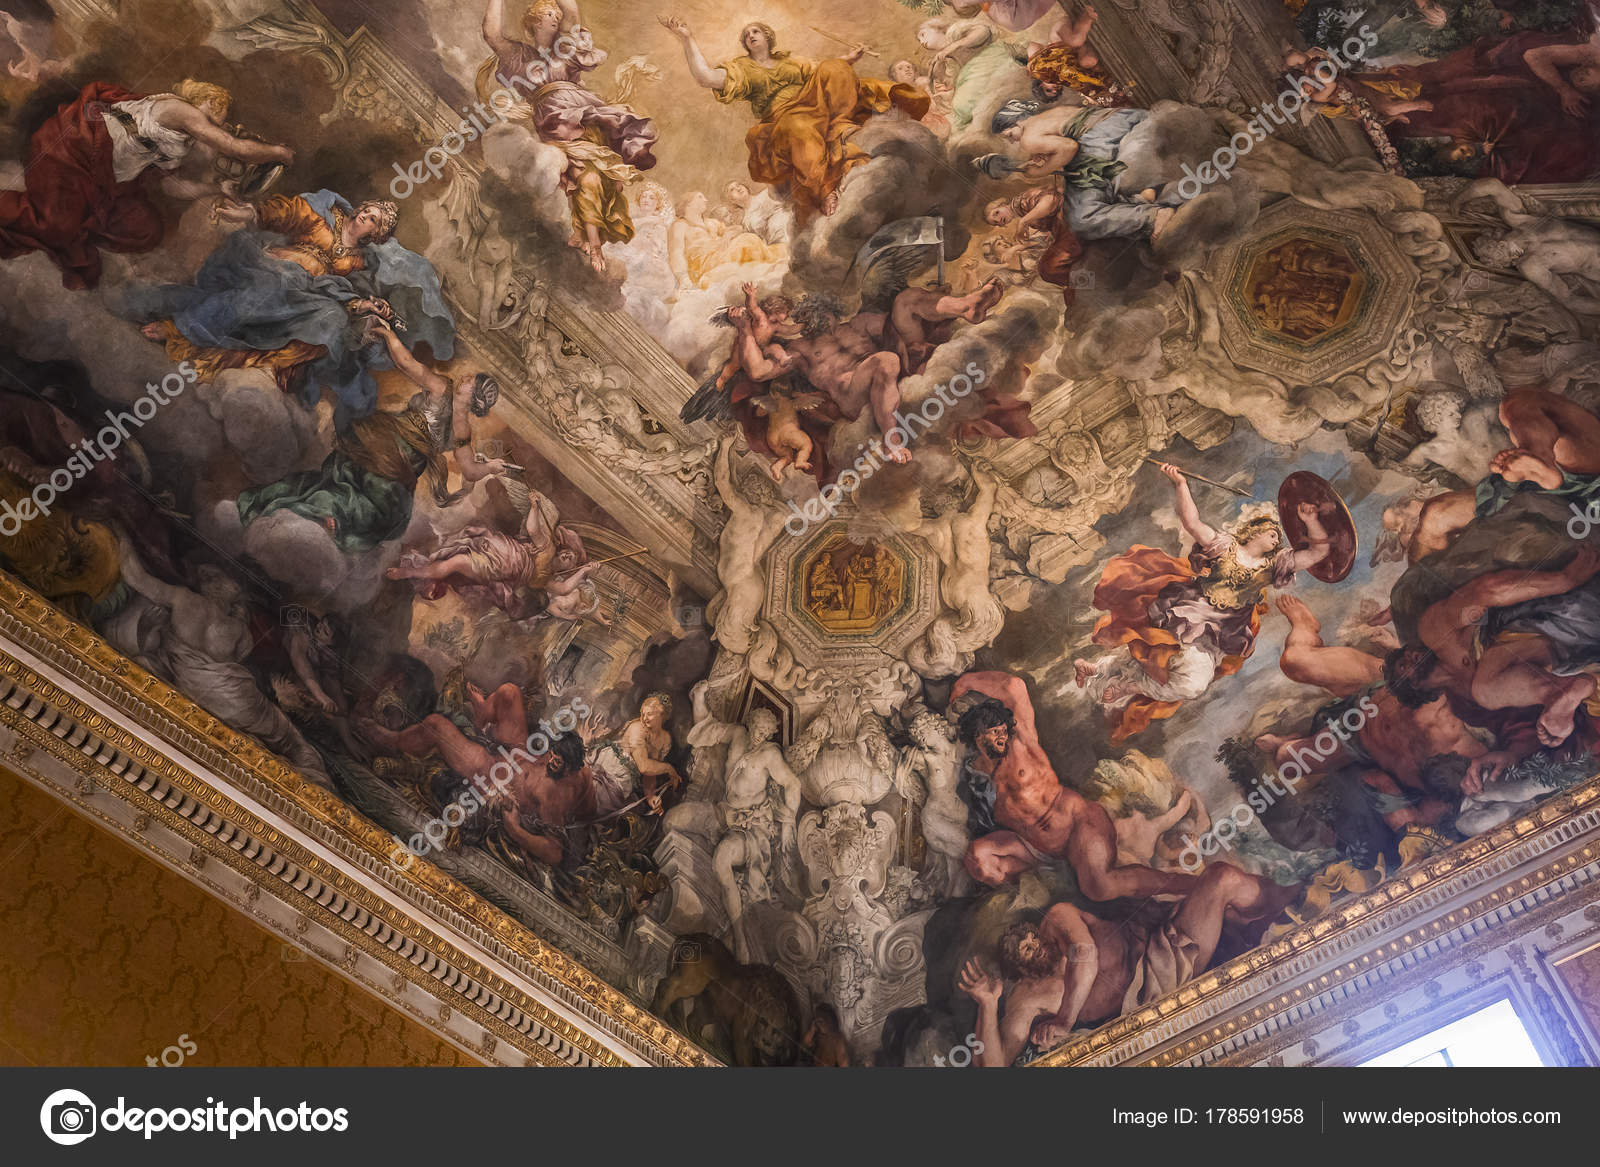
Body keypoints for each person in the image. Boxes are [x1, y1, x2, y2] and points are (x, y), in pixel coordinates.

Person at [124, 190, 455, 425]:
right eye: (367, 210)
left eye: (373, 220)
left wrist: (365, 303)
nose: (365, 216)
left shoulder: (357, 262)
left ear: (376, 234)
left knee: (332, 320)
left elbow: (343, 292)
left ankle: (270, 369)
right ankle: (180, 326)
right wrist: (252, 214)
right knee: (275, 286)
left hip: (310, 294)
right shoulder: (326, 218)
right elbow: (288, 213)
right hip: (273, 269)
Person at [1075, 464, 1333, 740]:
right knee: (1159, 652)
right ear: (1254, 531)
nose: (1277, 539)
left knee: (1187, 680)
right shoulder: (1225, 546)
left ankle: (1120, 680)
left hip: (1220, 630)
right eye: (1272, 533)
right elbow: (1192, 522)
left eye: (1278, 539)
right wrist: (1181, 484)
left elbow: (1319, 552)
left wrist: (1310, 520)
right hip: (1187, 610)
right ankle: (1103, 670)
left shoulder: (1275, 566)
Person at [958, 862, 1297, 1061]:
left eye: (1033, 937)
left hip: (1160, 940)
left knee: (1222, 875)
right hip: (1159, 985)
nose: (1038, 945)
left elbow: (1085, 954)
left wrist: (1063, 1020)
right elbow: (995, 1068)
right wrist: (987, 1005)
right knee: (1223, 880)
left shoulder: (1058, 920)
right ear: (1020, 968)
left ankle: (1291, 896)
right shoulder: (1026, 998)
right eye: (1028, 951)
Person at [0, 78, 293, 289]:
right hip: (74, 154)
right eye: (217, 115)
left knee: (146, 230)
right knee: (56, 228)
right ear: (208, 100)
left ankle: (76, 220)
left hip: (104, 179)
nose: (217, 125)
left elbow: (170, 186)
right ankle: (56, 219)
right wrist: (279, 152)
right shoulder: (178, 110)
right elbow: (233, 146)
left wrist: (216, 189)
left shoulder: (184, 137)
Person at [238, 321, 501, 553]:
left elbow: (467, 467)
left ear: (474, 395)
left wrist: (489, 467)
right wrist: (390, 336)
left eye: (472, 380)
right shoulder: (445, 392)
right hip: (390, 442)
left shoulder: (459, 421)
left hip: (402, 458)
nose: (466, 377)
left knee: (372, 497)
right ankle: (327, 513)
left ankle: (326, 516)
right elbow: (408, 364)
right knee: (365, 490)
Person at [949, 670, 1199, 901]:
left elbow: (1015, 687)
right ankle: (1041, 885)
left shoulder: (1022, 743)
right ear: (978, 737)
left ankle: (1181, 886)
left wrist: (965, 682)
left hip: (1078, 826)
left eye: (1004, 729)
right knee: (977, 859)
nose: (1003, 735)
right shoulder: (976, 774)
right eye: (995, 732)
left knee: (1099, 887)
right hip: (1037, 849)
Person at [658, 15, 929, 219]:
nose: (751, 35)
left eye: (756, 31)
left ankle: (854, 119)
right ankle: (825, 189)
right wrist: (686, 38)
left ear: (767, 36)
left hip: (812, 101)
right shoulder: (743, 69)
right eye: (746, 34)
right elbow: (705, 78)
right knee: (798, 126)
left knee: (834, 67)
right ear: (745, 44)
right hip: (782, 115)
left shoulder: (790, 61)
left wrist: (850, 57)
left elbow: (823, 72)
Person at [481, 0, 658, 272]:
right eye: (549, 14)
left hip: (587, 111)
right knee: (583, 176)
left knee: (605, 177)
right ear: (535, 22)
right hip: (556, 120)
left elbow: (572, 11)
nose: (556, 17)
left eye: (556, 13)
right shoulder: (520, 57)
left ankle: (584, 235)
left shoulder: (564, 49)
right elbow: (492, 35)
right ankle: (591, 241)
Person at [361, 684, 594, 868]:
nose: (552, 760)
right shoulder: (556, 757)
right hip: (513, 753)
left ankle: (390, 741)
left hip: (489, 774)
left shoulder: (553, 798)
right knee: (509, 692)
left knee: (436, 726)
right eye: (553, 754)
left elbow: (554, 853)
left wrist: (515, 829)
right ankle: (482, 713)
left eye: (558, 762)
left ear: (569, 769)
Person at [688, 707, 801, 961]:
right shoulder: (739, 735)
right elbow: (708, 730)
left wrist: (789, 822)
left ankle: (739, 938)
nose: (759, 734)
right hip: (723, 814)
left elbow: (793, 784)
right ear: (749, 724)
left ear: (771, 733)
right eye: (756, 728)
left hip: (752, 827)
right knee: (672, 821)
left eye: (765, 731)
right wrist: (699, 699)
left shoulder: (770, 754)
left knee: (722, 860)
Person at [589, 692, 682, 815]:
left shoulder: (665, 739)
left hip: (626, 780)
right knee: (595, 800)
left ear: (661, 714)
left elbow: (650, 772)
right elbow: (644, 767)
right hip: (611, 768)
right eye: (642, 714)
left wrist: (650, 796)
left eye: (649, 714)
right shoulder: (637, 728)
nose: (644, 718)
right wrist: (669, 768)